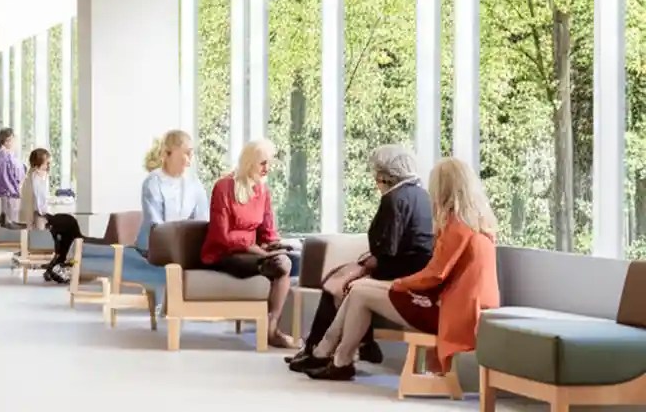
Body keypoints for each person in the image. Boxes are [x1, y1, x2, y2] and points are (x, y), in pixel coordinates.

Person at [304, 157, 500, 381]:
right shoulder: (475, 224)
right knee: (359, 288)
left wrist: (399, 284)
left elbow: (435, 274)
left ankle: (336, 358)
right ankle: (329, 354)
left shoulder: (458, 226)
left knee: (359, 292)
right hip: (459, 306)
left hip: (452, 312)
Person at [287, 145, 434, 371]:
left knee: (336, 285)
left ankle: (320, 349)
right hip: (413, 268)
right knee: (339, 279)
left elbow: (387, 249)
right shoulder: (422, 195)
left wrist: (366, 265)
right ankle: (349, 345)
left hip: (399, 270)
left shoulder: (393, 199)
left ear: (385, 174)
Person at [79, 130, 209, 303]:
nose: (189, 160)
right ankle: (169, 301)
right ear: (167, 154)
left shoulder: (195, 184)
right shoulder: (153, 182)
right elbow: (157, 225)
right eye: (185, 153)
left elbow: (202, 221)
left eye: (191, 153)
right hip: (154, 243)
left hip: (182, 243)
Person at [200, 139, 299, 349]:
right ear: (249, 161)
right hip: (225, 253)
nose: (267, 168)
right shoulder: (224, 187)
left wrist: (274, 245)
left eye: (269, 163)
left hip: (252, 252)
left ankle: (272, 326)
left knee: (293, 260)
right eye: (263, 163)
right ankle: (272, 332)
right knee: (281, 265)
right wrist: (252, 246)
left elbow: (267, 230)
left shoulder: (262, 190)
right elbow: (221, 235)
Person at [0, 128, 25, 227]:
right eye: (13, 140)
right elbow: (18, 174)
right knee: (10, 225)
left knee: (3, 224)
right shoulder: (8, 157)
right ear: (7, 140)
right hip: (9, 192)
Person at [18, 148, 51, 231]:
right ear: (38, 163)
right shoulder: (34, 176)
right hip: (37, 211)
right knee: (37, 233)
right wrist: (43, 211)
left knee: (37, 232)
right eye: (46, 163)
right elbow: (38, 195)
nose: (47, 165)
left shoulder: (41, 175)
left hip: (39, 211)